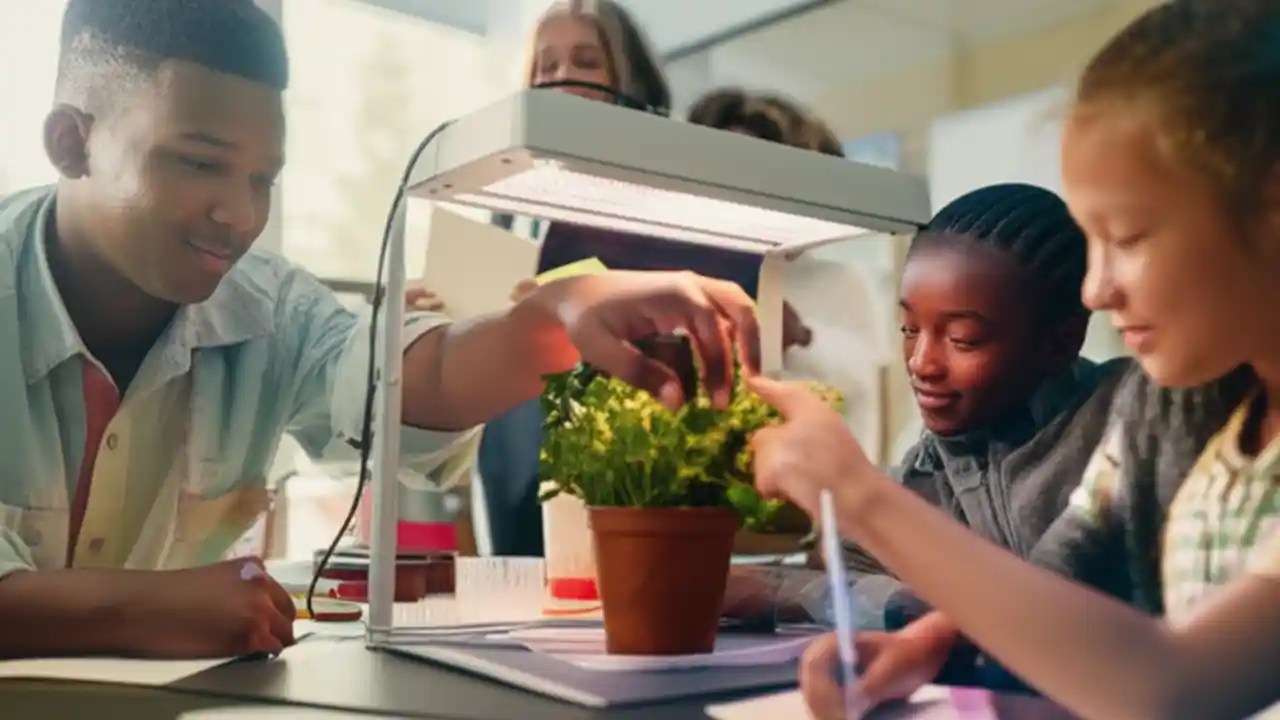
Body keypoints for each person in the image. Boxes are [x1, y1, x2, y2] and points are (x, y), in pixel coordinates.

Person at [0, 0, 760, 660]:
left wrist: (552, 315)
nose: (239, 214)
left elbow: (413, 376)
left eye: (263, 179)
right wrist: (151, 607)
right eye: (200, 164)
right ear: (72, 142)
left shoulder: (270, 307)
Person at [752, 2, 1280, 717]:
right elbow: (1064, 574)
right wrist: (934, 643)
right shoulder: (1174, 410)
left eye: (1128, 237)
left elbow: (1170, 687)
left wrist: (856, 495)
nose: (1096, 290)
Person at [725, 183, 1129, 630]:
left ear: (1062, 342)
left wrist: (855, 499)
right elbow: (853, 571)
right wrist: (783, 587)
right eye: (909, 329)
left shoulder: (1126, 424)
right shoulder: (927, 471)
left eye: (962, 339)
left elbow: (1052, 616)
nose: (921, 364)